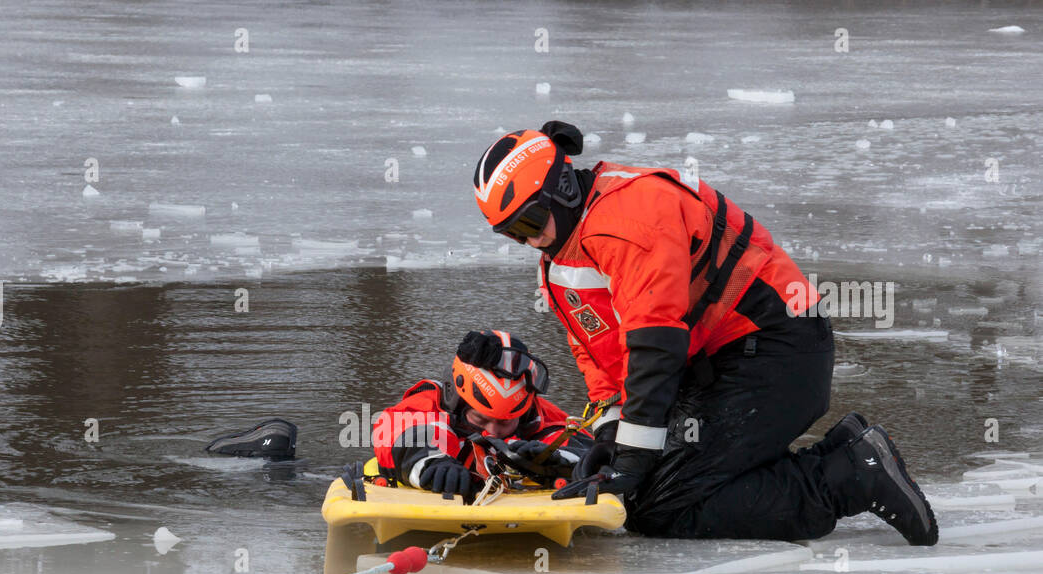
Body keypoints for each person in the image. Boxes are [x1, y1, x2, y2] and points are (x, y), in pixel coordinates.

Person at [470, 121, 938, 545]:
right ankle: (842, 451)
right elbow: (607, 357)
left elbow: (655, 346)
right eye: (512, 233)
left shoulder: (628, 219)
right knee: (642, 493)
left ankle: (849, 474)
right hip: (725, 360)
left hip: (777, 347)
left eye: (530, 222)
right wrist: (612, 437)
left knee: (660, 508)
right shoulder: (564, 256)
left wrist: (634, 457)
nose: (528, 241)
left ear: (563, 188)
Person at [372, 330, 591, 497]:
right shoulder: (428, 405)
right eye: (480, 419)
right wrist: (431, 463)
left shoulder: (542, 416)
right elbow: (394, 429)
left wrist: (555, 458)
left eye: (505, 423)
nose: (493, 433)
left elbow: (587, 449)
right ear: (458, 400)